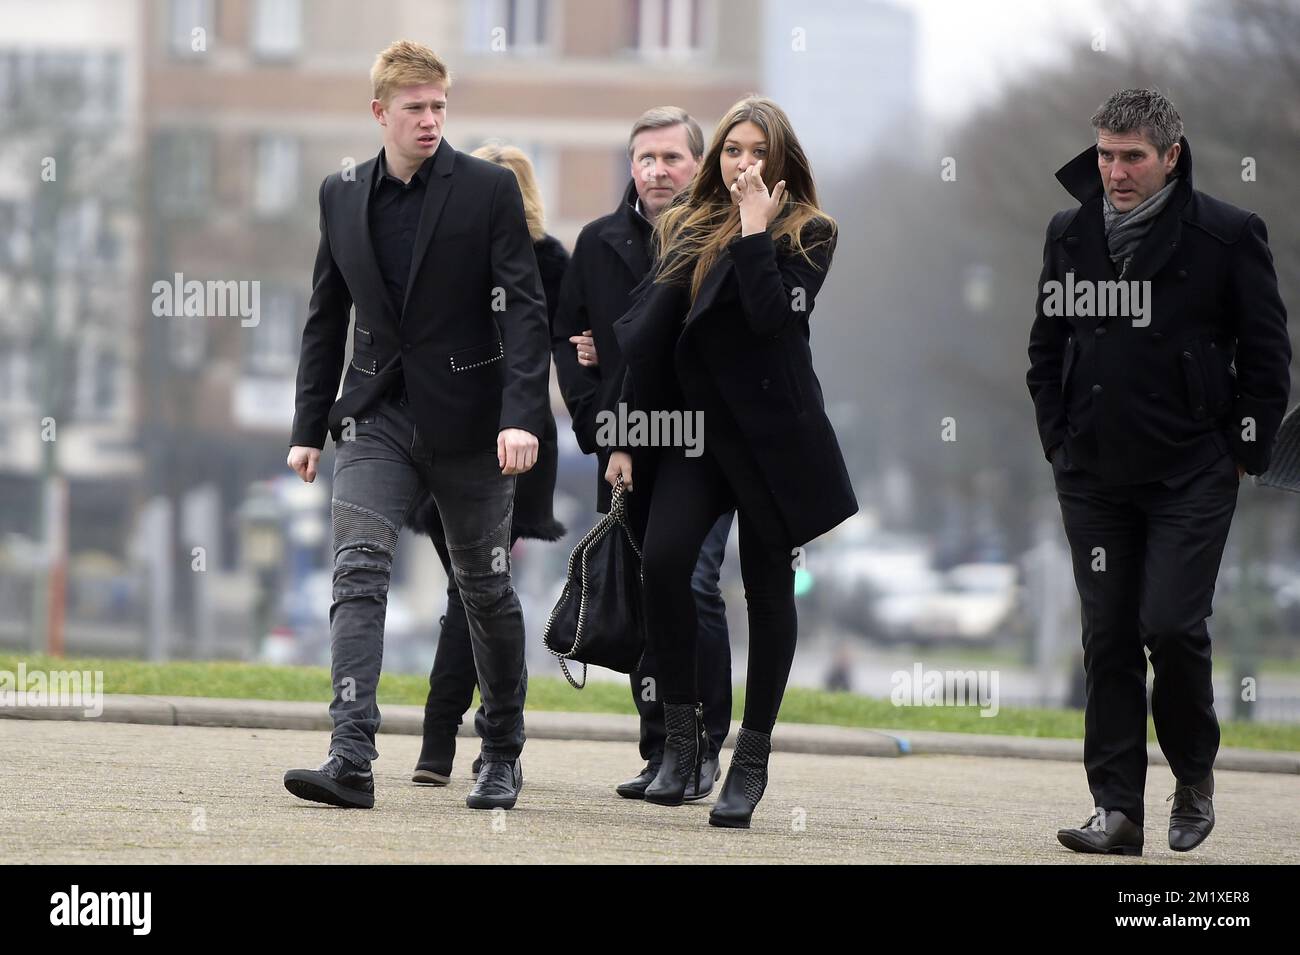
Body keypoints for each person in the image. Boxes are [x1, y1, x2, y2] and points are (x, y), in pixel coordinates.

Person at [282, 41, 551, 811]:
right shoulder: (340, 193)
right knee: (357, 571)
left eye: (440, 106)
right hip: (376, 417)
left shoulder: (488, 189)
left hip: (472, 423)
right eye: (415, 108)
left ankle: (500, 747)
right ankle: (351, 754)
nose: (431, 120)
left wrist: (521, 415)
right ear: (380, 113)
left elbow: (526, 312)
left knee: (485, 587)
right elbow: (324, 316)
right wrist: (308, 426)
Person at [1027, 88, 1290, 854]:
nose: (1115, 171)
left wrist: (1243, 447)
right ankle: (1117, 810)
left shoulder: (1228, 235)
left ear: (1170, 156)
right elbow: (1046, 347)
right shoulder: (1069, 232)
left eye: (1131, 156)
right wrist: (1057, 437)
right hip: (1093, 472)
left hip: (1192, 471)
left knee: (1171, 626)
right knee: (1106, 636)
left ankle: (1193, 777)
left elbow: (1268, 357)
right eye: (1105, 155)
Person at [606, 96, 858, 828]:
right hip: (693, 432)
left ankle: (750, 760)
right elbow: (650, 338)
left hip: (773, 438)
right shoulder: (686, 225)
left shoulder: (812, 232)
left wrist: (754, 231)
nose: (742, 163)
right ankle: (681, 743)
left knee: (768, 591)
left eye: (756, 151)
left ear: (780, 162)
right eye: (731, 150)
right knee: (663, 562)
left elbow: (774, 322)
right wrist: (623, 432)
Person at [552, 107, 735, 801]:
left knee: (691, 584)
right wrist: (604, 430)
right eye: (644, 159)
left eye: (672, 158)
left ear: (699, 163)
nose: (656, 170)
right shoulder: (597, 243)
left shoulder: (718, 237)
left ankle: (706, 746)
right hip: (623, 451)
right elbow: (572, 347)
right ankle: (660, 746)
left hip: (702, 446)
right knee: (644, 593)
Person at [406, 143, 568, 786]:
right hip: (483, 436)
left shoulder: (539, 261)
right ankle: (475, 742)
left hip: (500, 438)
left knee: (473, 593)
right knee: (481, 593)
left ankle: (447, 743)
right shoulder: (545, 258)